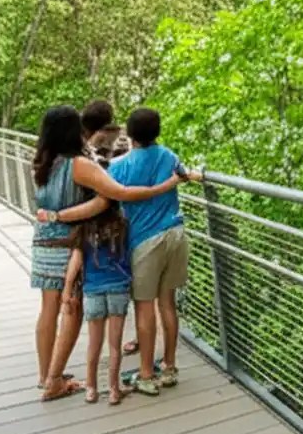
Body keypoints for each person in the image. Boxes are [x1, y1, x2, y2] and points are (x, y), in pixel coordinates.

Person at [42, 107, 199, 397]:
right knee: (168, 303)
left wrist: (58, 216)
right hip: (176, 234)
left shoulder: (120, 167)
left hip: (145, 242)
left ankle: (146, 374)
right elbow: (184, 174)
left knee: (143, 305)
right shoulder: (170, 156)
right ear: (158, 131)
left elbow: (109, 198)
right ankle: (170, 366)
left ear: (130, 133)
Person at [63, 197, 132, 405]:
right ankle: (113, 389)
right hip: (118, 285)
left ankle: (91, 389)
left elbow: (76, 260)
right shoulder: (122, 223)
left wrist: (67, 289)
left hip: (93, 289)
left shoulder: (84, 227)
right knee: (114, 344)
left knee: (94, 343)